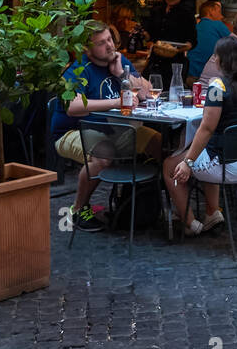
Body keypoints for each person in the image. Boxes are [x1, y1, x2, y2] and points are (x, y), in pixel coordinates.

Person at [50, 23, 157, 231]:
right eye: (101, 43)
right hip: (72, 131)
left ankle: (146, 208)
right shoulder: (79, 70)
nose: (109, 46)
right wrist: (117, 102)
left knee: (157, 143)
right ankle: (79, 210)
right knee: (104, 155)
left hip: (115, 130)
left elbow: (147, 92)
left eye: (109, 39)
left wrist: (122, 75)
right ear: (87, 49)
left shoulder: (118, 60)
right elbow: (74, 107)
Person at [163, 36, 237, 236]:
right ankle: (212, 213)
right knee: (205, 149)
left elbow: (207, 128)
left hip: (229, 165)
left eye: (215, 56)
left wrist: (187, 162)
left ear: (222, 60)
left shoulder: (218, 86)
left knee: (169, 165)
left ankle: (189, 223)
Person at [143, 0, 198, 92]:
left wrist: (188, 45)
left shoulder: (186, 13)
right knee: (149, 90)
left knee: (170, 94)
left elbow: (193, 39)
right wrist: (145, 35)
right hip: (156, 59)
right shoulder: (157, 10)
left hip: (175, 61)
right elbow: (150, 32)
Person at [187, 0, 231, 83]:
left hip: (191, 76)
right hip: (210, 79)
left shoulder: (196, 27)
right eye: (219, 12)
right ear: (211, 11)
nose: (222, 16)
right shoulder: (217, 24)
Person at [113, 6, 151, 71]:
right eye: (124, 19)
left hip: (136, 63)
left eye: (129, 19)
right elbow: (121, 50)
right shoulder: (113, 31)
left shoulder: (131, 31)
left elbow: (143, 44)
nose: (126, 22)